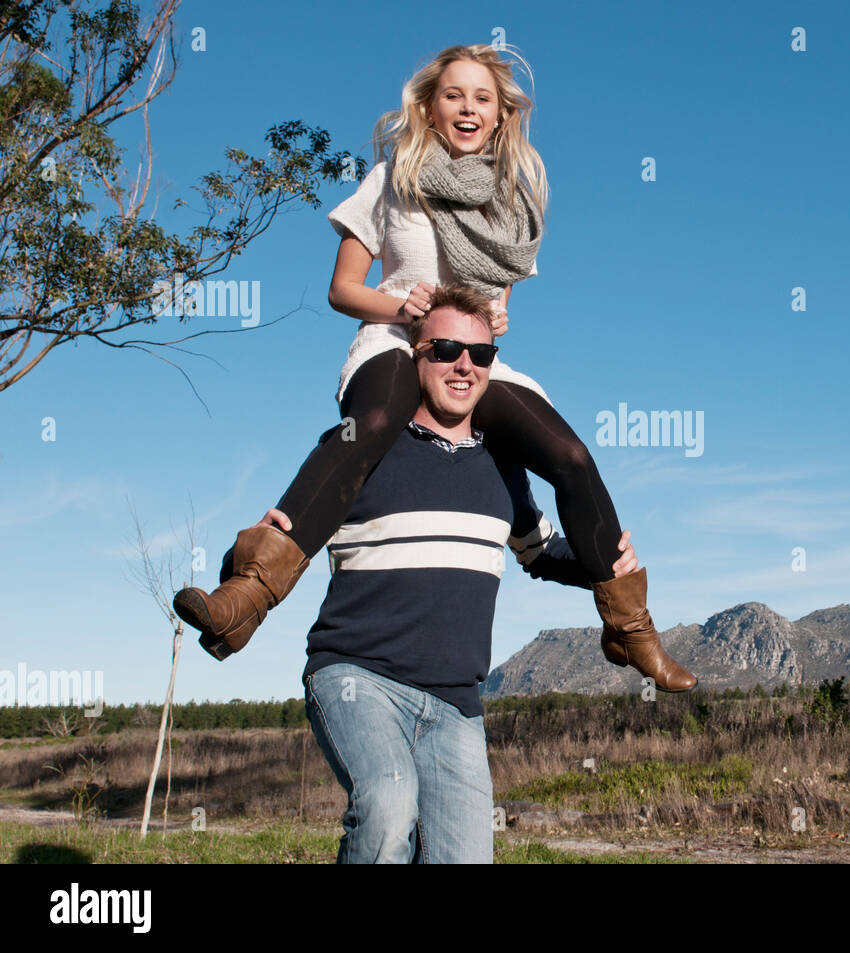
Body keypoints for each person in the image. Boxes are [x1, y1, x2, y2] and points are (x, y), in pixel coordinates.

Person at [172, 43, 694, 692]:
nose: (468, 107)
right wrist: (401, 302)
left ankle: (628, 624)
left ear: (501, 115)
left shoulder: (508, 206)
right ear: (429, 106)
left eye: (483, 98)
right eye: (455, 95)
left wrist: (494, 320)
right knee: (377, 420)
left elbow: (497, 304)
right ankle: (249, 594)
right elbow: (342, 289)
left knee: (571, 454)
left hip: (467, 357)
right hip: (395, 340)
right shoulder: (391, 181)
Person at [304, 285, 638, 863]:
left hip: (455, 704)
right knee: (387, 805)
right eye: (447, 350)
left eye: (481, 355)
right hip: (359, 678)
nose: (464, 365)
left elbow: (540, 555)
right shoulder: (364, 447)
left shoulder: (502, 469)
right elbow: (292, 527)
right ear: (415, 356)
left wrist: (603, 565)